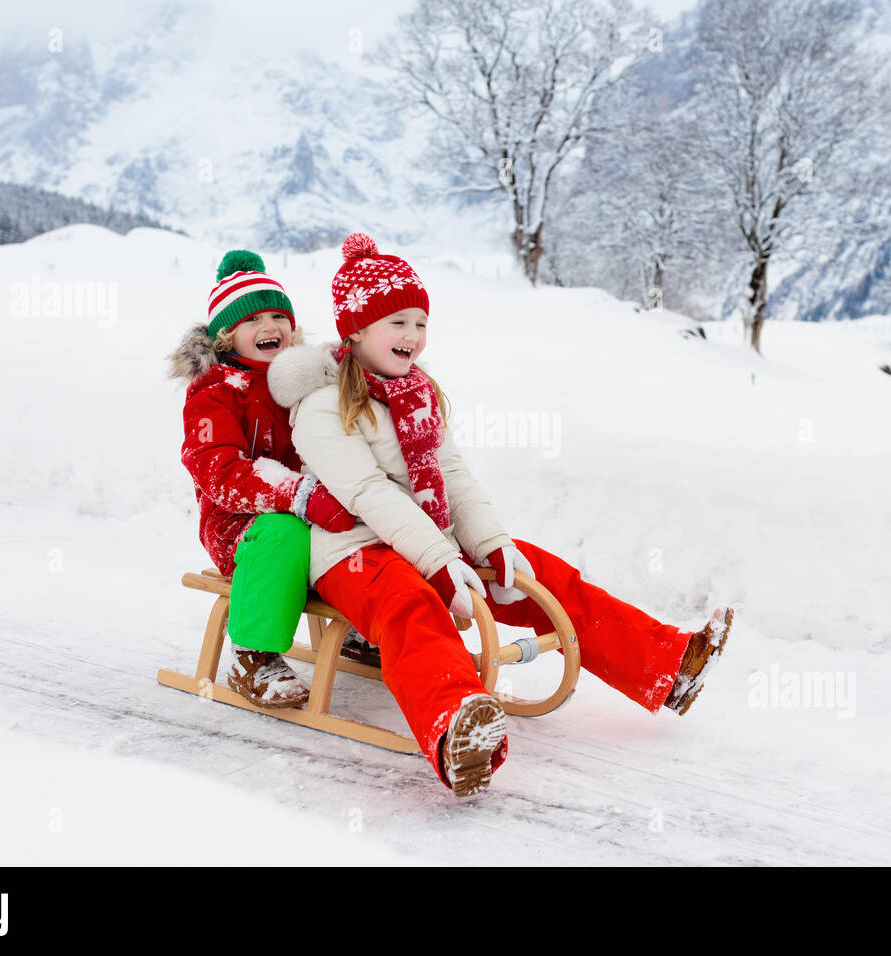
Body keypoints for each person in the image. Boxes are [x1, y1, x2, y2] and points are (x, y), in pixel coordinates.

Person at [267, 234, 734, 797]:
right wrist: (439, 560)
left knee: (536, 573)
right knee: (409, 603)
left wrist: (490, 544)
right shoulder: (321, 408)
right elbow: (368, 493)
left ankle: (668, 663)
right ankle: (457, 727)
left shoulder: (419, 396)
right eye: (398, 322)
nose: (413, 336)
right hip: (352, 550)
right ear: (357, 329)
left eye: (420, 323)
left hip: (424, 536)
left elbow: (454, 477)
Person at [167, 249, 370, 710]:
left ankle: (362, 625)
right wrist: (295, 494)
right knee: (284, 533)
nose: (270, 327)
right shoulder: (215, 390)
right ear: (227, 334)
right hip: (241, 526)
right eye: (253, 319)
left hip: (318, 510)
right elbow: (217, 470)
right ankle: (253, 654)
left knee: (366, 519)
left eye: (279, 315)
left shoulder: (305, 380)